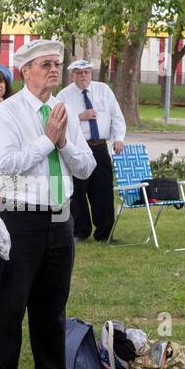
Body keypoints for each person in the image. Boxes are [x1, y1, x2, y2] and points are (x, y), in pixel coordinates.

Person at [0, 39, 95, 369]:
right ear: (25, 71)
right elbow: (8, 163)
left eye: (56, 64)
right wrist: (49, 140)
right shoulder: (8, 112)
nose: (53, 70)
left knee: (52, 301)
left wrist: (63, 143)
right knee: (10, 299)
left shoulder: (61, 110)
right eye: (45, 64)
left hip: (61, 218)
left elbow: (87, 167)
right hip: (19, 215)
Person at [58, 59, 126, 242]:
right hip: (78, 148)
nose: (83, 76)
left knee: (103, 190)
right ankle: (80, 231)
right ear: (72, 75)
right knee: (78, 192)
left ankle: (105, 233)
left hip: (100, 146)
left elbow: (116, 117)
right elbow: (57, 121)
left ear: (91, 73)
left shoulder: (103, 90)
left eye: (86, 72)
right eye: (79, 73)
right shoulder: (64, 95)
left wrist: (119, 138)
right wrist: (79, 116)